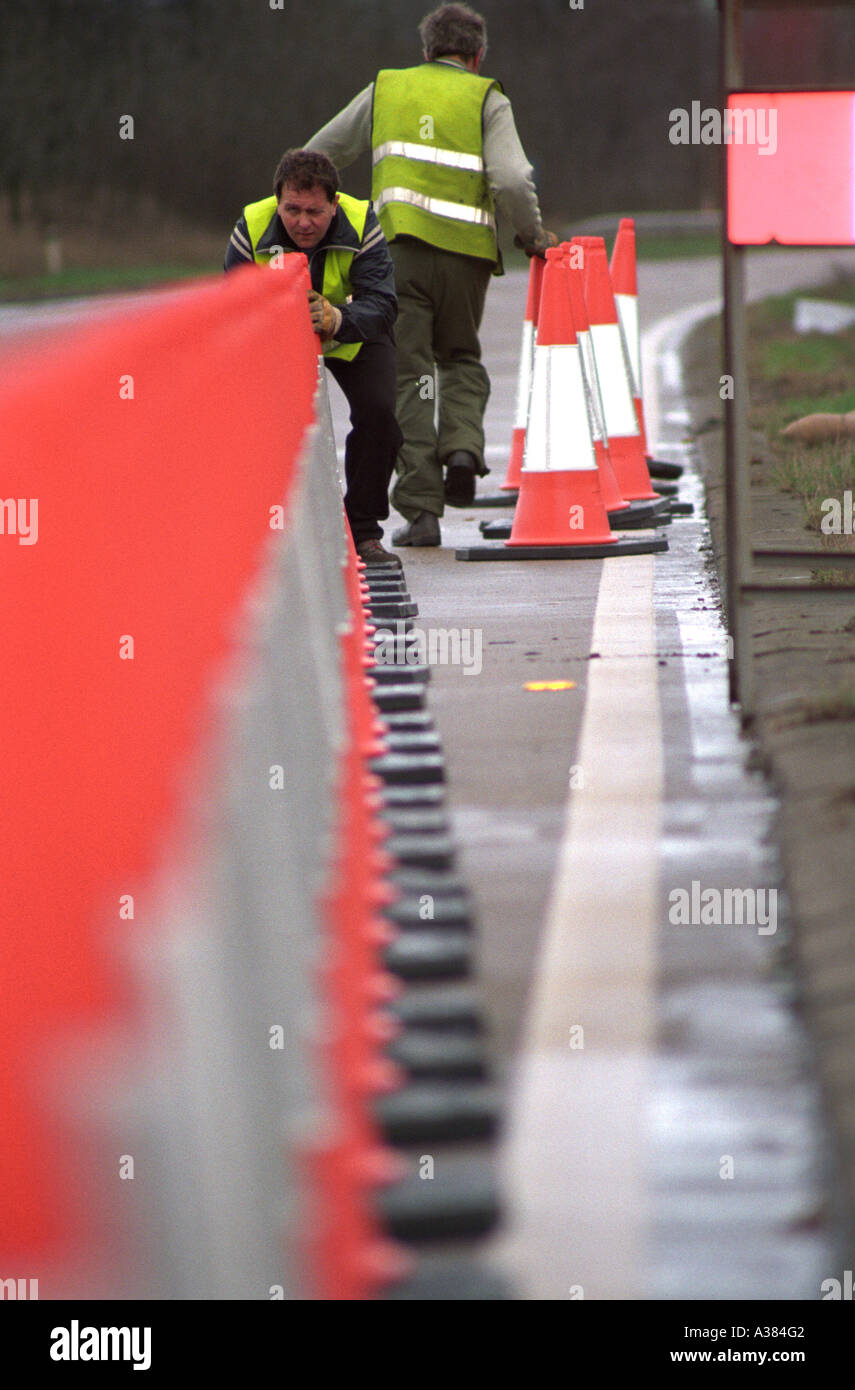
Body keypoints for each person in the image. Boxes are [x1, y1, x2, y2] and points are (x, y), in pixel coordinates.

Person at [305, 2, 557, 547]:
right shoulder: (487, 96)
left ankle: (421, 514)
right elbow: (513, 178)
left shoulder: (387, 89)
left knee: (409, 375)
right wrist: (531, 236)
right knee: (460, 357)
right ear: (477, 54)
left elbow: (317, 155)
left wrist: (327, 224)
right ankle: (463, 448)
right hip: (466, 260)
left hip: (396, 254)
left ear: (425, 50)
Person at [225, 148, 403, 566]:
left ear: (335, 204)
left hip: (352, 335)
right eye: (292, 210)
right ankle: (275, 531)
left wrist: (337, 317)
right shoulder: (251, 227)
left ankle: (364, 533)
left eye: (315, 212)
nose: (303, 223)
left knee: (380, 418)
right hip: (282, 341)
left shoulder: (361, 223)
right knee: (262, 425)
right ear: (277, 201)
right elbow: (235, 307)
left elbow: (384, 305)